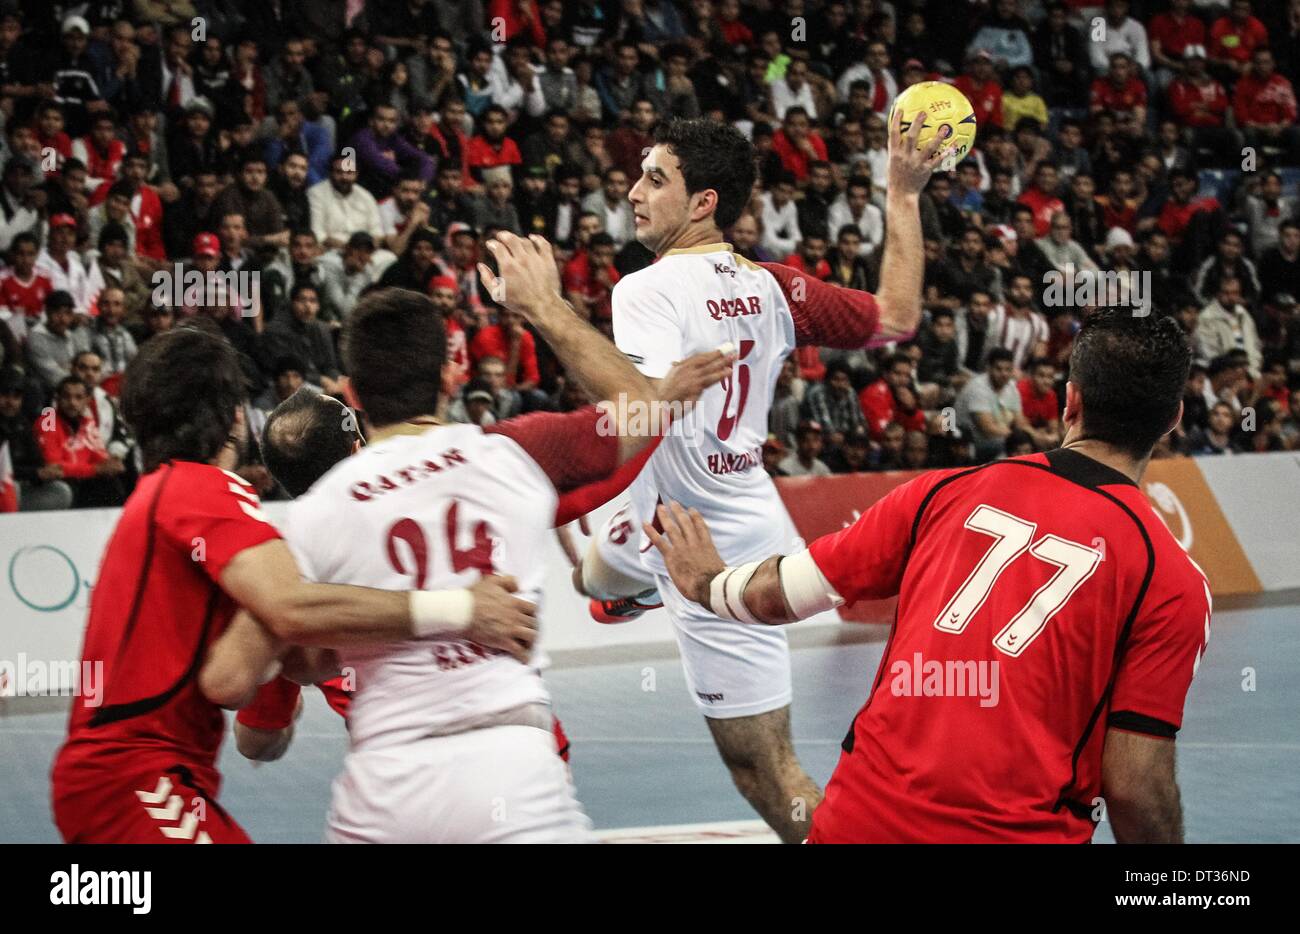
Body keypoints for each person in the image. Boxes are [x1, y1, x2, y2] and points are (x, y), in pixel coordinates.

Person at [647, 308, 1210, 844]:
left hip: (859, 822)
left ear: (1070, 402)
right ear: (1173, 420)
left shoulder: (942, 492)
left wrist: (706, 584)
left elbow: (784, 593)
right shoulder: (1171, 579)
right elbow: (1136, 787)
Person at [566, 112, 948, 843]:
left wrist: (548, 317)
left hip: (707, 545)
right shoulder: (775, 287)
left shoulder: (643, 291)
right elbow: (897, 316)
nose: (634, 191)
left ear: (703, 201)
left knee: (763, 769)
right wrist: (902, 193)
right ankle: (634, 583)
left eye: (656, 178)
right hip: (692, 507)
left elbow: (637, 415)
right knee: (593, 576)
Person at [256, 263, 729, 842]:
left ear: (356, 392)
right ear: (451, 377)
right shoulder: (506, 458)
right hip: (512, 761)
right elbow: (629, 422)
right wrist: (548, 309)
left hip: (386, 785)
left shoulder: (299, 538)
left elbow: (258, 721)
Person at [51, 326, 538, 843]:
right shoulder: (201, 487)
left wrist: (313, 653)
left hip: (141, 781)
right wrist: (461, 610)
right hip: (132, 782)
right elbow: (290, 609)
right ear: (236, 414)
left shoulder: (166, 499)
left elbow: (246, 695)